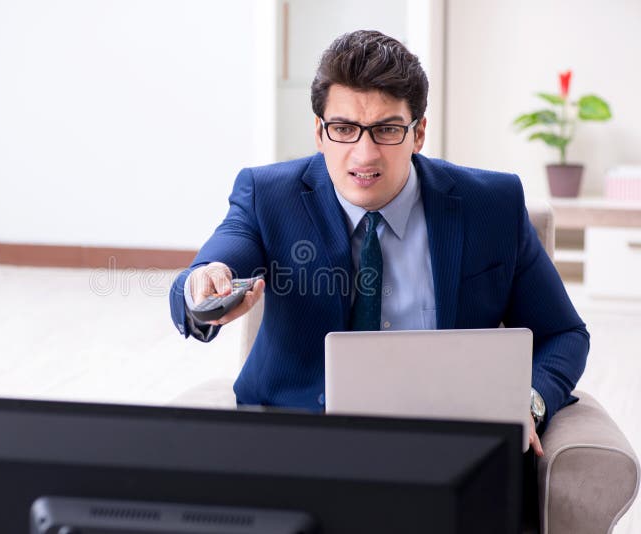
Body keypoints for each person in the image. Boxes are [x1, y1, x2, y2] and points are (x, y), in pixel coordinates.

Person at [168, 30, 588, 460]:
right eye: (344, 129)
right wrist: (203, 283)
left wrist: (530, 403)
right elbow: (218, 259)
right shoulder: (268, 195)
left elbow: (564, 334)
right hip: (293, 447)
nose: (364, 154)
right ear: (319, 132)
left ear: (418, 132)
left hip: (447, 452)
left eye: (386, 129)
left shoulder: (492, 205)